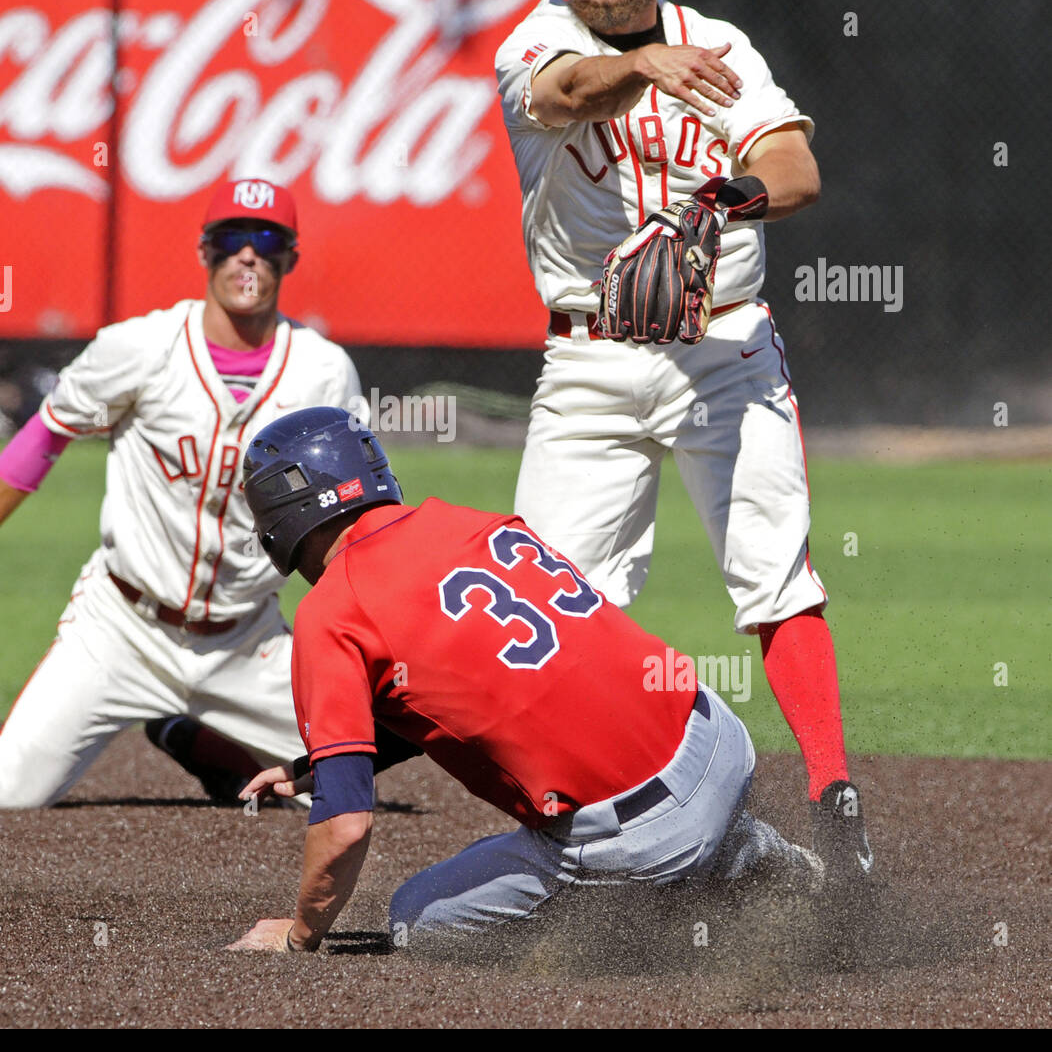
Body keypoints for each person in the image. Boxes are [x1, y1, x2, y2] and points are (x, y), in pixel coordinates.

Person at [492, 0, 871, 881]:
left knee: (776, 579)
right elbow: (564, 94)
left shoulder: (722, 45)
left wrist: (725, 201)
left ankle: (837, 807)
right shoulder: (537, 40)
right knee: (553, 605)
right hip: (589, 366)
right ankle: (602, 821)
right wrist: (638, 68)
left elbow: (795, 167)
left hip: (724, 353)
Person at [225, 407, 822, 957]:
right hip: (718, 741)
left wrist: (300, 935)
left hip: (644, 837)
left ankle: (662, 914)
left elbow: (346, 827)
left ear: (282, 515)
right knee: (651, 768)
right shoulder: (473, 524)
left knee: (413, 918)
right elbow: (470, 686)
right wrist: (322, 764)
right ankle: (754, 855)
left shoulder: (331, 610)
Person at [0, 179, 362, 809]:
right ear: (205, 252)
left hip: (244, 639)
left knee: (344, 778)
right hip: (122, 626)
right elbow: (47, 432)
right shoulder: (140, 348)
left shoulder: (322, 369)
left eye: (265, 240)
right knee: (5, 793)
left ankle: (189, 736)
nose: (247, 255)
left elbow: (348, 498)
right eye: (231, 239)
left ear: (290, 258)